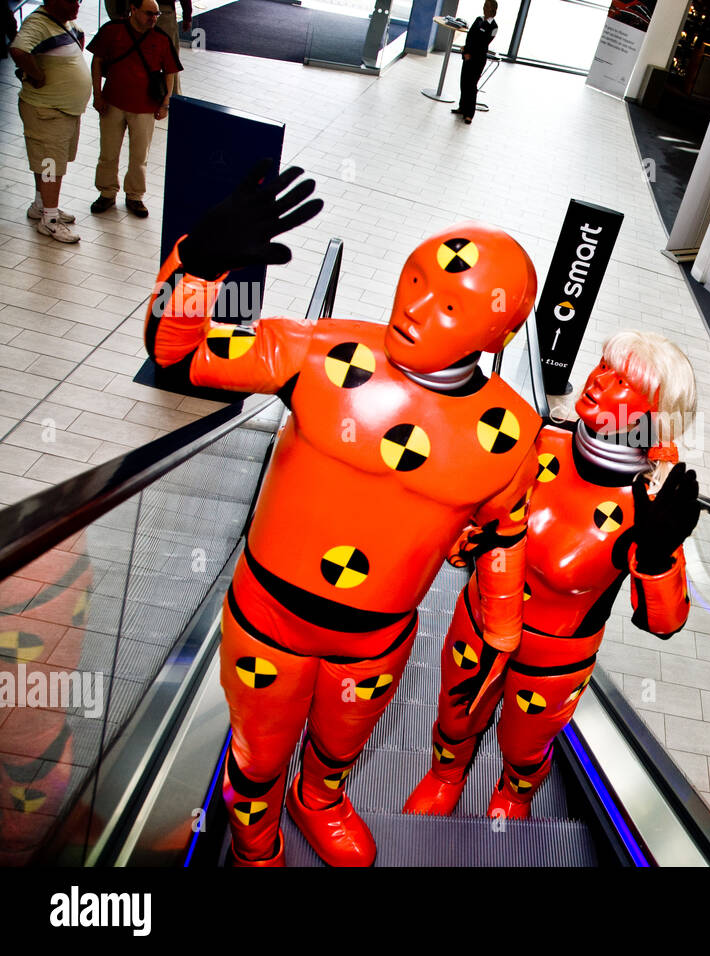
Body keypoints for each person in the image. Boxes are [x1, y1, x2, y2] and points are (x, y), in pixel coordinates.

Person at [144, 161, 543, 865]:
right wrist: (197, 268)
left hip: (376, 641)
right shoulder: (320, 352)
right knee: (256, 753)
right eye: (415, 281)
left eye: (449, 305)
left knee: (337, 747)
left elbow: (504, 529)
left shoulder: (510, 428)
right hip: (268, 616)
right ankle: (254, 844)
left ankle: (318, 799)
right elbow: (180, 359)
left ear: (496, 334)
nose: (416, 308)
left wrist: (503, 622)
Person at [404, 331, 700, 819]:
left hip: (554, 660)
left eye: (623, 381)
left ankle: (514, 795)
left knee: (524, 746)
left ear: (654, 417)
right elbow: (467, 536)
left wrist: (657, 555)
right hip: (478, 623)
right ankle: (445, 775)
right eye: (603, 366)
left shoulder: (651, 503)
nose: (599, 381)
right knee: (455, 718)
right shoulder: (538, 439)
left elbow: (664, 622)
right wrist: (469, 535)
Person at [87, 0, 181, 218]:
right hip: (112, 103)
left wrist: (165, 102)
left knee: (139, 157)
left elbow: (170, 72)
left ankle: (135, 196)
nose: (154, 18)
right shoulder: (112, 31)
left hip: (145, 107)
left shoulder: (161, 39)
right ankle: (107, 192)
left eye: (156, 14)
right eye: (149, 13)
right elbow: (97, 61)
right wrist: (97, 94)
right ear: (133, 9)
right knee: (108, 153)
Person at [9, 0, 92, 243]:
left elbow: (79, 36)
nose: (77, 5)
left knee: (48, 163)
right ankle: (50, 220)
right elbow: (18, 50)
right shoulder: (38, 23)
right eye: (71, 0)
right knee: (50, 166)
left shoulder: (64, 19)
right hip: (46, 111)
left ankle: (41, 205)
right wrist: (37, 74)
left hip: (62, 110)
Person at [451, 0, 496, 125]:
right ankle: (462, 107)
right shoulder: (478, 19)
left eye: (487, 6)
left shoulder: (494, 27)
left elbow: (483, 43)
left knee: (471, 86)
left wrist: (470, 53)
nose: (484, 8)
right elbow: (470, 36)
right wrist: (466, 51)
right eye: (484, 6)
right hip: (467, 56)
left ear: (493, 9)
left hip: (478, 59)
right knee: (464, 82)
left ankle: (469, 114)